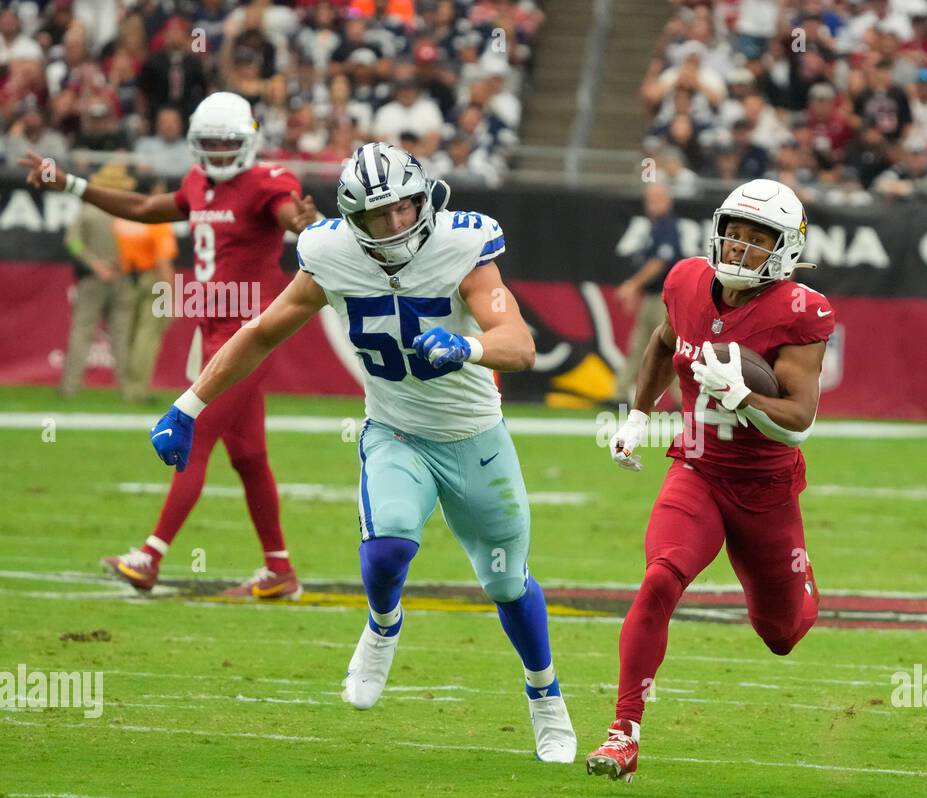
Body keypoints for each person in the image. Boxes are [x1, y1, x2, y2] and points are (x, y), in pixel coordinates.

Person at [146, 142, 577, 763]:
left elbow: (518, 341)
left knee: (508, 583)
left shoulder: (464, 244)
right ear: (353, 218)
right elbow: (263, 331)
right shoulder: (329, 253)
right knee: (388, 546)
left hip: (475, 434)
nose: (399, 223)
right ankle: (382, 626)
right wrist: (187, 406)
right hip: (395, 430)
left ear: (423, 197)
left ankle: (546, 699)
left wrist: (468, 348)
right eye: (381, 216)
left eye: (405, 207)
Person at [22, 91, 318, 598]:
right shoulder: (197, 182)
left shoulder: (266, 182)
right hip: (214, 332)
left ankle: (151, 555)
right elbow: (142, 207)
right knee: (248, 457)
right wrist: (69, 182)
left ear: (248, 141)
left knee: (193, 436)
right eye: (211, 144)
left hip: (249, 333)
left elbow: (291, 215)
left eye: (229, 143)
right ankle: (279, 570)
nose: (221, 154)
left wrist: (303, 223)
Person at [587, 179, 834, 781]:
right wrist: (639, 414)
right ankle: (623, 732)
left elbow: (799, 419)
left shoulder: (802, 310)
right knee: (658, 581)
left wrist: (745, 396)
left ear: (784, 250)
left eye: (758, 239)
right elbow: (661, 341)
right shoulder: (686, 281)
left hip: (765, 487)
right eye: (735, 232)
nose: (741, 247)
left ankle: (800, 589)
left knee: (782, 634)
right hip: (697, 466)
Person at [59, 164, 136, 400]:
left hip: (92, 278)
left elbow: (72, 242)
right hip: (122, 278)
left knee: (82, 332)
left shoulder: (88, 211)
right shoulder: (129, 211)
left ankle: (69, 388)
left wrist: (94, 264)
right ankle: (127, 391)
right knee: (122, 336)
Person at [614, 182, 683, 403]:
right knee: (639, 346)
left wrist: (633, 285)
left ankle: (682, 399)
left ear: (667, 201)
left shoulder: (667, 226)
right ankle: (620, 393)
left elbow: (659, 263)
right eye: (649, 199)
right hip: (653, 296)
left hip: (664, 300)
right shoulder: (656, 226)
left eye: (656, 199)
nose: (650, 204)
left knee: (668, 348)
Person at [113, 178, 179, 404]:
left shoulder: (123, 219)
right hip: (152, 279)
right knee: (147, 337)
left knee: (129, 336)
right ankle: (138, 391)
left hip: (127, 279)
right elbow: (162, 260)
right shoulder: (157, 221)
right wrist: (171, 294)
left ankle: (127, 387)